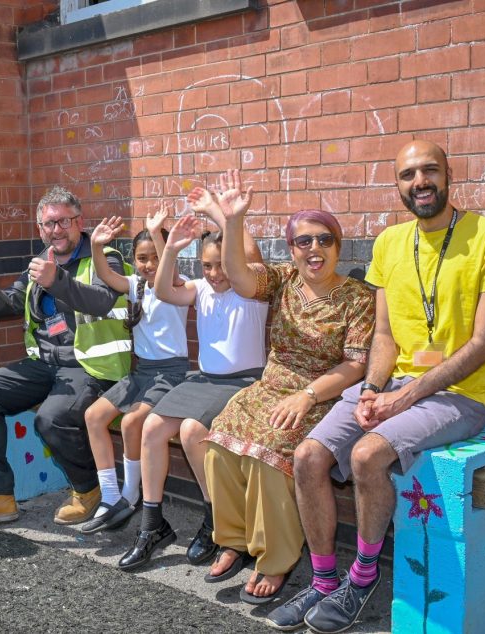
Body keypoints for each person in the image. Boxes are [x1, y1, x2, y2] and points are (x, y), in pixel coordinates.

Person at [269, 141, 485, 633]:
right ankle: (323, 581)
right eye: (408, 174)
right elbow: (384, 335)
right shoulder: (389, 242)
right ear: (398, 184)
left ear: (449, 174)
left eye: (429, 170)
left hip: (461, 394)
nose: (419, 182)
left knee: (367, 455)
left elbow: (484, 343)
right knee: (308, 456)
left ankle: (362, 578)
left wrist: (403, 397)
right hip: (392, 384)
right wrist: (371, 389)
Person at [202, 170, 375, 606]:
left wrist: (308, 395)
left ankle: (276, 558)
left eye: (324, 240)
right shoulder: (282, 280)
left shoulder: (358, 297)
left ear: (337, 246)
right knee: (219, 439)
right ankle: (236, 539)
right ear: (292, 249)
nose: (314, 249)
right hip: (270, 386)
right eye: (304, 241)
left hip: (320, 394)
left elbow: (356, 364)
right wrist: (233, 221)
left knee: (270, 452)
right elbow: (241, 277)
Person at [0, 187, 131, 526]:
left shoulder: (105, 256)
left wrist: (58, 281)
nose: (56, 230)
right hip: (46, 364)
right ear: (40, 229)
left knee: (50, 418)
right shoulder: (39, 263)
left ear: (80, 222)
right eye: (49, 224)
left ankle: (88, 489)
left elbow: (102, 300)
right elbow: (5, 307)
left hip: (91, 366)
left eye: (64, 221)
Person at [118, 203, 269, 572]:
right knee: (151, 428)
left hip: (244, 381)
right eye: (206, 266)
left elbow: (251, 255)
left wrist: (224, 215)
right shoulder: (200, 288)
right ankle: (152, 525)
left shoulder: (251, 290)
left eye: (220, 265)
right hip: (203, 380)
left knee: (190, 431)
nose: (214, 274)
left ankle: (216, 518)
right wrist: (169, 248)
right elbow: (163, 290)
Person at [79, 208, 189, 535]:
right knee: (93, 416)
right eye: (142, 258)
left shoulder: (177, 284)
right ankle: (110, 496)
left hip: (170, 373)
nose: (149, 264)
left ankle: (131, 495)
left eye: (156, 257)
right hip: (141, 372)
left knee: (130, 422)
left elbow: (168, 267)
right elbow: (106, 275)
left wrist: (157, 232)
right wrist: (96, 246)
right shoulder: (135, 285)